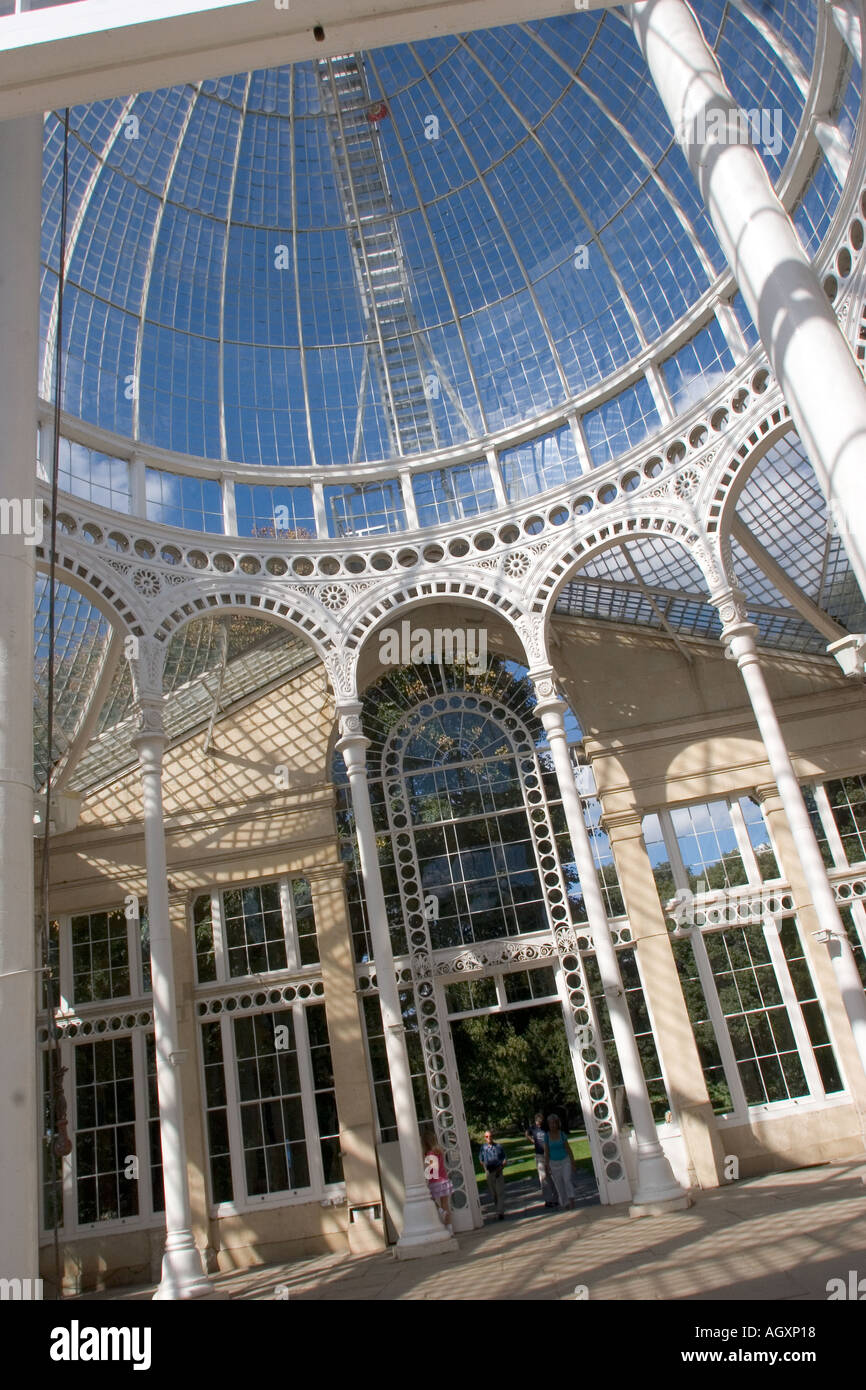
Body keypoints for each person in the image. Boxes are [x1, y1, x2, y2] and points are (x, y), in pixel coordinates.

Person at [543, 1113, 577, 1210]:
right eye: (551, 1123)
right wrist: (547, 1165)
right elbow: (546, 1152)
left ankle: (572, 1202)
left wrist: (573, 1162)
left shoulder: (562, 1134)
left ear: (558, 1124)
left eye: (554, 1123)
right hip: (553, 1163)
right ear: (548, 1125)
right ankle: (565, 1203)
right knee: (559, 1185)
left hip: (565, 1161)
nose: (553, 1125)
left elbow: (568, 1149)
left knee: (567, 1181)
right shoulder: (546, 1136)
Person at [422, 1128, 453, 1229]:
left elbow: (432, 1169)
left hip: (435, 1182)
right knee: (445, 1204)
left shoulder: (429, 1154)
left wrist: (426, 1176)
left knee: (430, 1199)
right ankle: (449, 1227)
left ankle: (441, 1211)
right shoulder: (439, 1151)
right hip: (444, 1180)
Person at [525, 1112, 557, 1207]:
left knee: (552, 1176)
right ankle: (548, 1200)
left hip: (549, 1154)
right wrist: (532, 1141)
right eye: (538, 1122)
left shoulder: (546, 1128)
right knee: (543, 1178)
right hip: (539, 1155)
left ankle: (556, 1198)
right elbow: (526, 1134)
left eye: (541, 1122)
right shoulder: (533, 1128)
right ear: (535, 1121)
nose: (539, 1123)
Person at [478, 1128, 507, 1220]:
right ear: (484, 1138)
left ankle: (500, 1212)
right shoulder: (483, 1148)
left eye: (490, 1136)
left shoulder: (498, 1146)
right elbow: (481, 1159)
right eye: (487, 1137)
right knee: (494, 1193)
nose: (489, 1138)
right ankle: (498, 1208)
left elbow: (504, 1158)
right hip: (489, 1172)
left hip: (498, 1170)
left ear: (492, 1137)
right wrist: (485, 1167)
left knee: (500, 1192)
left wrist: (501, 1167)